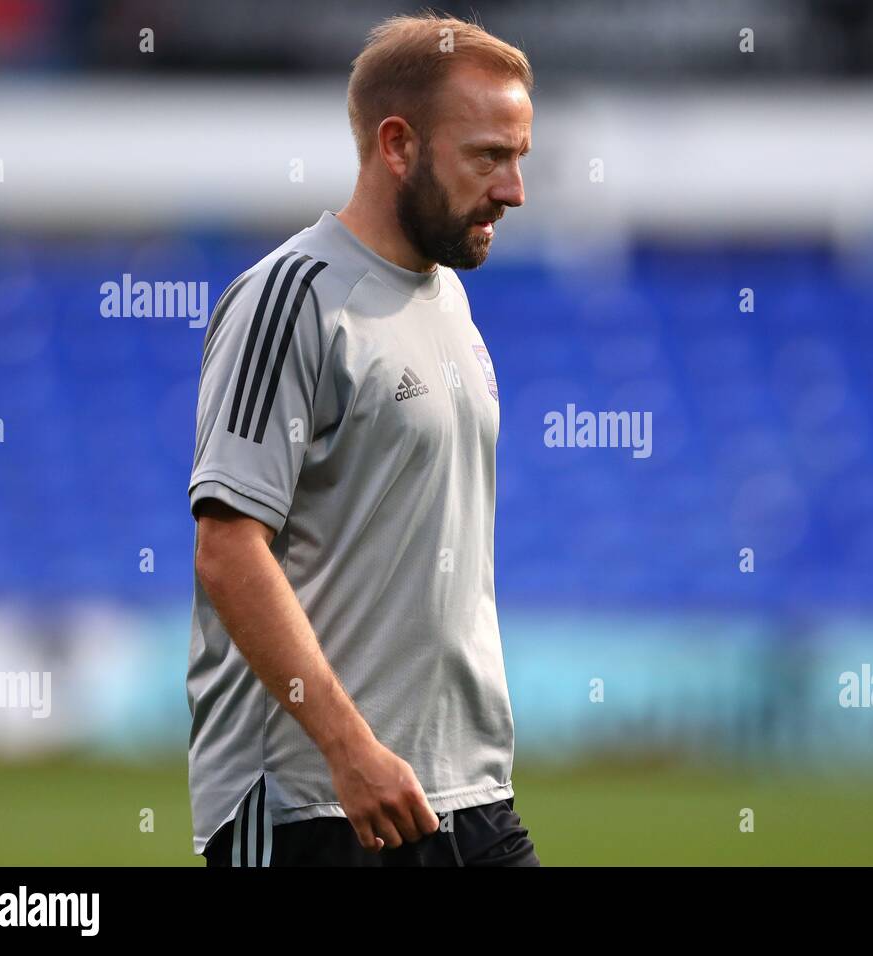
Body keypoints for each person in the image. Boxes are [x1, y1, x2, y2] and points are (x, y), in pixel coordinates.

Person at [185, 13, 537, 866]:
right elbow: (229, 551)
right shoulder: (292, 298)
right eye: (488, 156)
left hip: (467, 795)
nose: (514, 189)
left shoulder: (448, 298)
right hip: (317, 806)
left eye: (519, 157)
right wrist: (349, 750)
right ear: (397, 145)